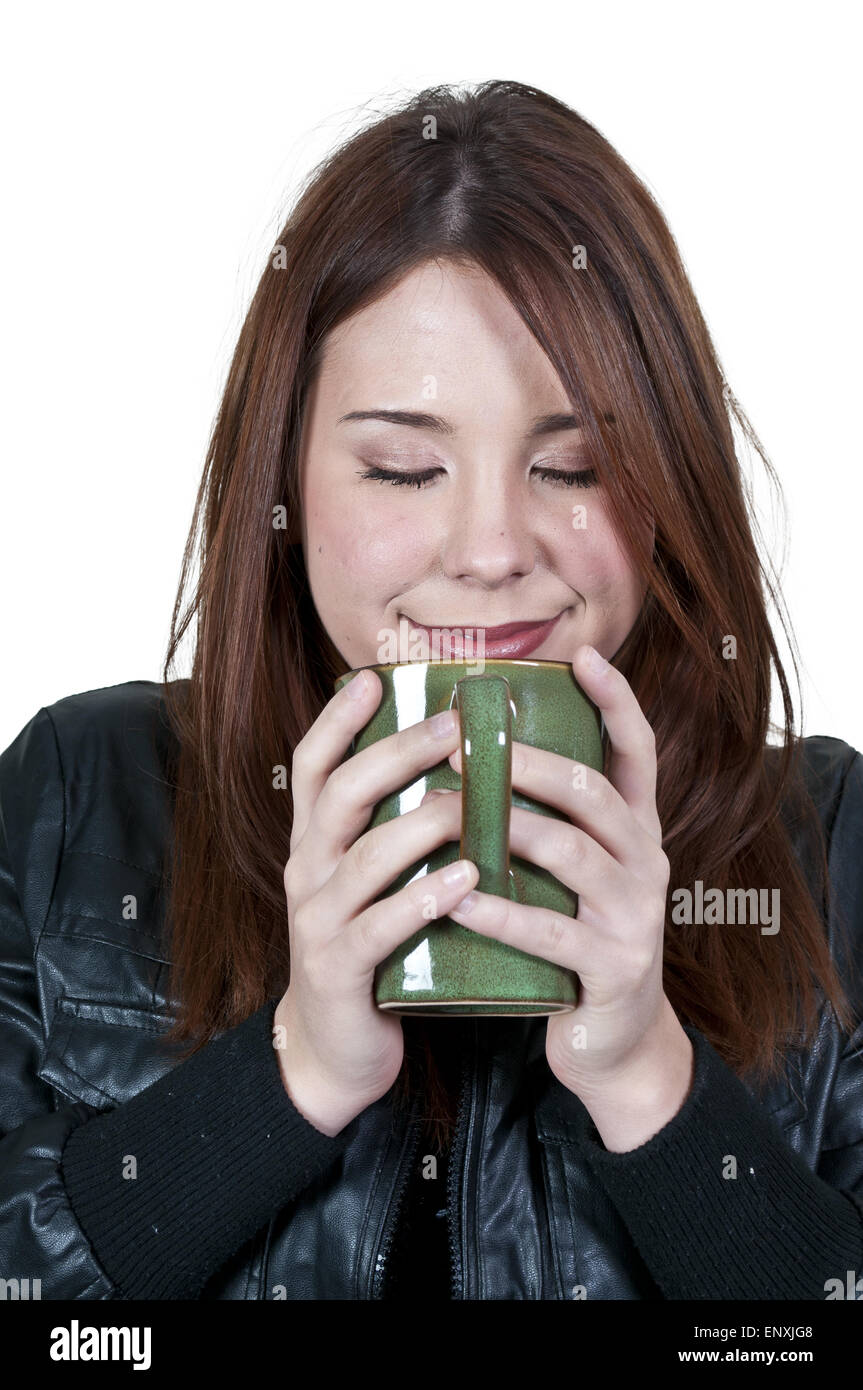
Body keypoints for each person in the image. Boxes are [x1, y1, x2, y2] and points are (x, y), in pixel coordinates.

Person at [1, 79, 862, 1303]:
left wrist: (647, 1082)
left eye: (574, 463)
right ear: (283, 482)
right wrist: (289, 1072)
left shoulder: (829, 849)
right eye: (404, 470)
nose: (492, 548)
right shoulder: (79, 799)